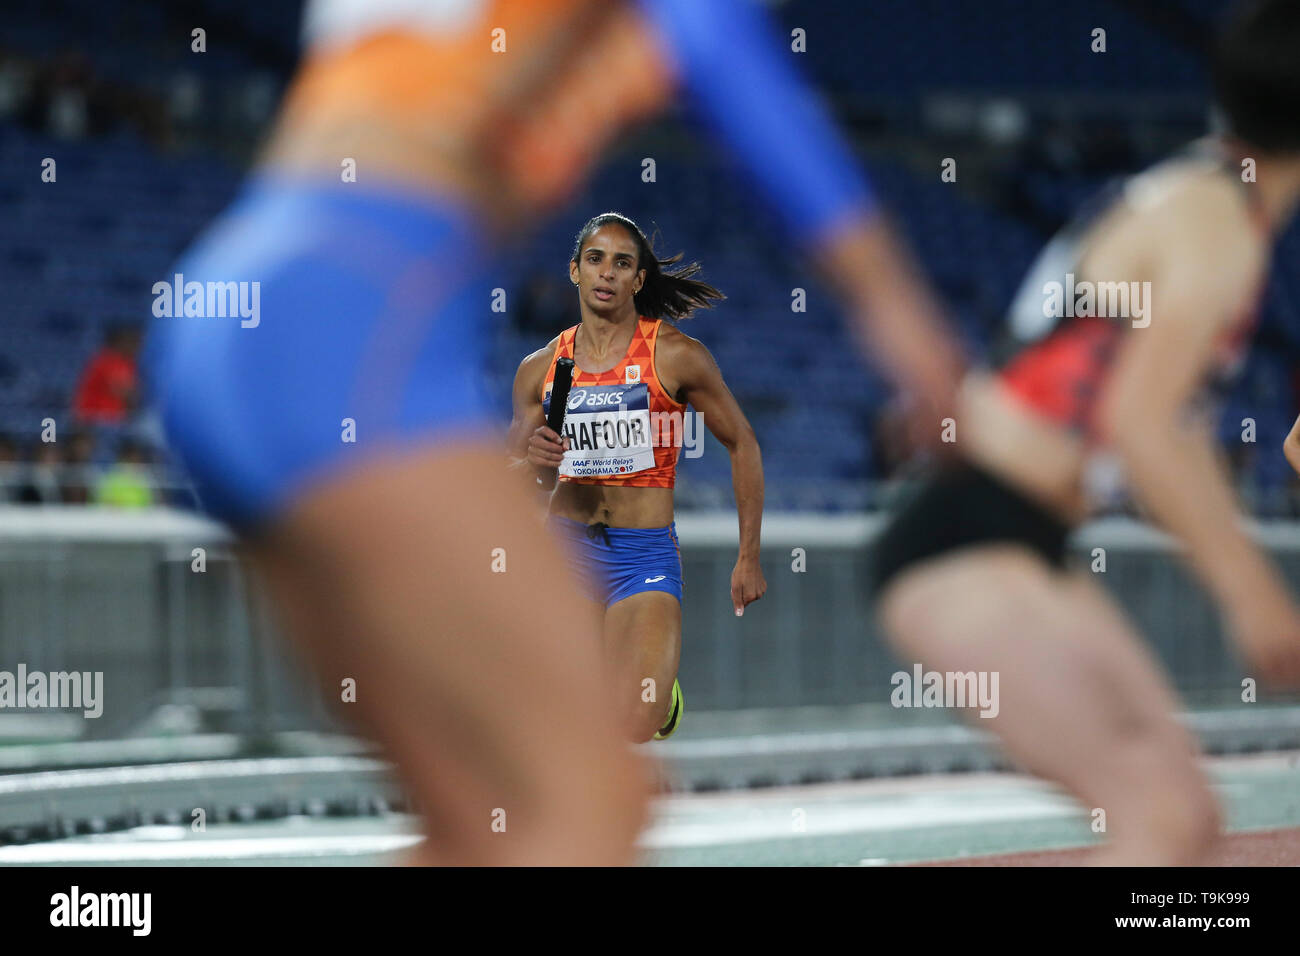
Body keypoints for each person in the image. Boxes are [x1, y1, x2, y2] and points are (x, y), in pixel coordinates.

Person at [145, 0, 960, 865]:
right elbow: (714, 35)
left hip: (238, 313)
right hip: (349, 323)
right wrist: (897, 311)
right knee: (590, 802)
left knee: (473, 823)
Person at [869, 0, 1300, 866]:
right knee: (1160, 824)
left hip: (1014, 541)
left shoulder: (1202, 199)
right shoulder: (1217, 226)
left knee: (1182, 819)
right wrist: (1253, 595)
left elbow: (1157, 425)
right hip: (969, 539)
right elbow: (1141, 427)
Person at [510, 212, 765, 742]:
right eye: (595, 260)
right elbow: (514, 478)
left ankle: (660, 697)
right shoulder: (540, 369)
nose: (607, 273)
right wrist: (531, 465)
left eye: (622, 263)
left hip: (642, 554)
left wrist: (748, 555)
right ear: (575, 271)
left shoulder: (676, 356)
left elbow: (742, 443)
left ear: (638, 280)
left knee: (634, 720)